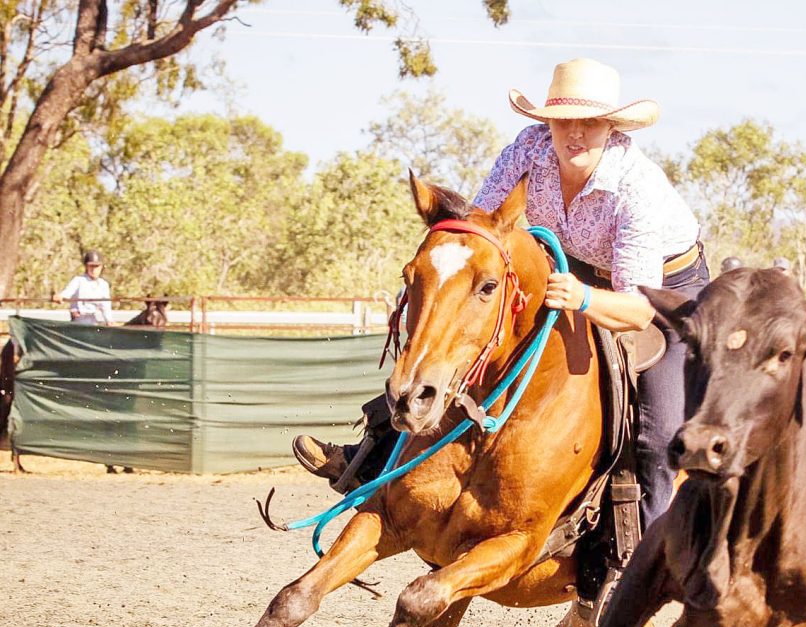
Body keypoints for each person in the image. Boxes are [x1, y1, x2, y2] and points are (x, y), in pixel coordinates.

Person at [292, 57, 707, 582]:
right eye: (563, 121)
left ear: (611, 127)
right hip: (569, 267)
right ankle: (371, 457)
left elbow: (636, 307)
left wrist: (581, 298)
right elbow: (480, 229)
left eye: (589, 122)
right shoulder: (527, 149)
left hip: (662, 289)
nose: (574, 133)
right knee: (472, 341)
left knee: (659, 429)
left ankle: (638, 565)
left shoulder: (636, 187)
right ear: (547, 122)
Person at [54, 251, 114, 325]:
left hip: (93, 321)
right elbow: (67, 293)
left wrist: (109, 321)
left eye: (96, 266)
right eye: (91, 266)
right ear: (86, 266)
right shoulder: (78, 280)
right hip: (78, 321)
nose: (94, 269)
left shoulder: (103, 285)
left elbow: (106, 307)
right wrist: (60, 297)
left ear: (101, 267)